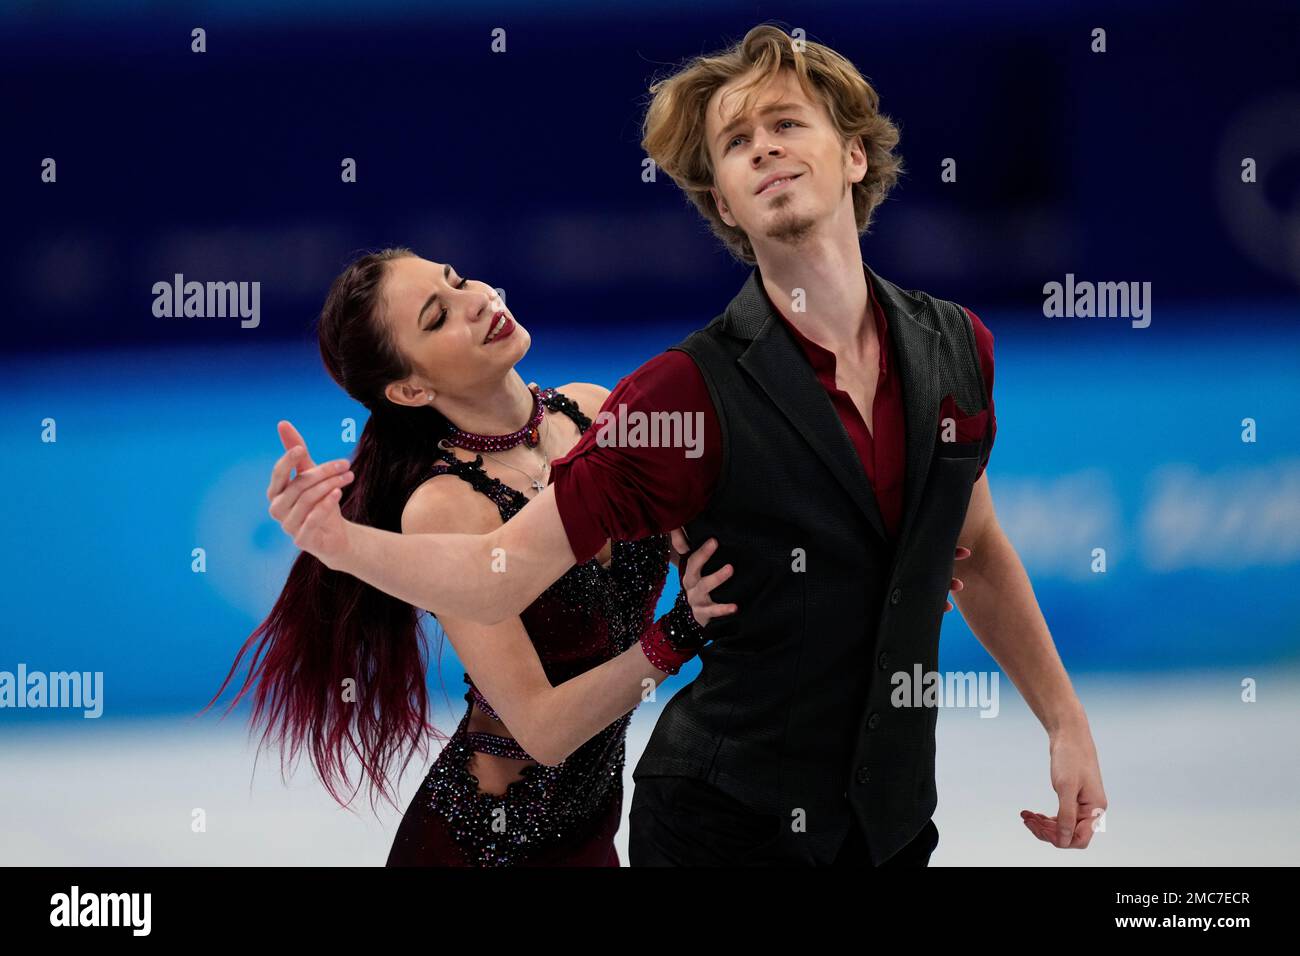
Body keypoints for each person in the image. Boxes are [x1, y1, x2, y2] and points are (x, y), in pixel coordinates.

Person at [265, 25, 1107, 866]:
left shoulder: (956, 347)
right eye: (737, 143)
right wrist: (339, 544)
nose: (765, 149)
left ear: (855, 155)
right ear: (724, 204)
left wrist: (1064, 719)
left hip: (884, 824)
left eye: (786, 123)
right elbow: (501, 574)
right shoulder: (678, 397)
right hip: (706, 826)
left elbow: (978, 550)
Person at [205, 247, 735, 867]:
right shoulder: (445, 508)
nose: (478, 299)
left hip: (593, 825)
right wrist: (680, 632)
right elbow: (544, 730)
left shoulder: (594, 410)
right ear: (410, 387)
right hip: (486, 843)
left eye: (457, 281)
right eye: (438, 316)